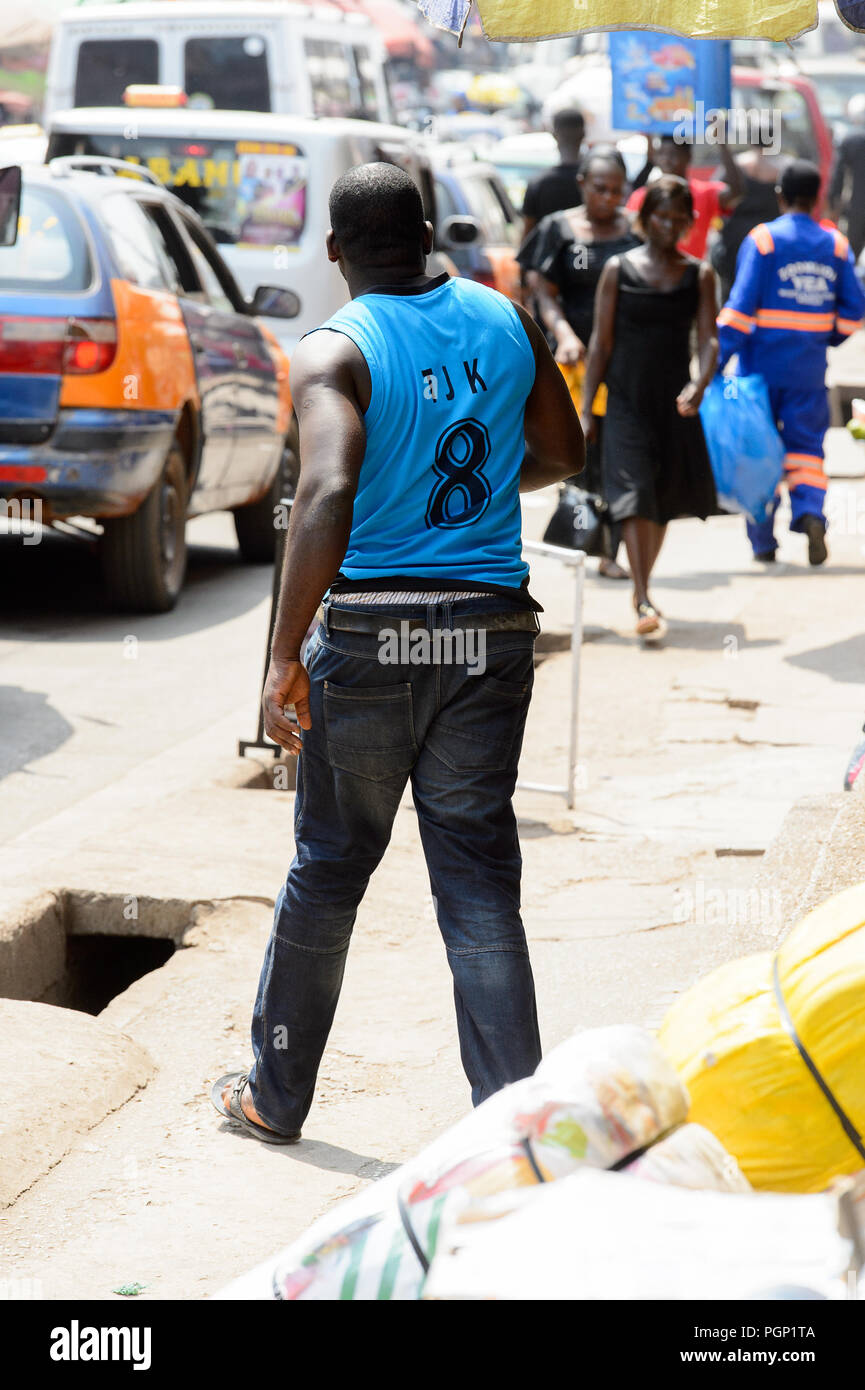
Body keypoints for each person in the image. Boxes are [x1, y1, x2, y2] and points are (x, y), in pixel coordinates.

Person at [211, 162, 584, 1143]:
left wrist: (281, 653)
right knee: (475, 875)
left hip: (375, 636)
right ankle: (514, 1133)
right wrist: (496, 471)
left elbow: (326, 490)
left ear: (335, 253)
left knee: (330, 866)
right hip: (489, 626)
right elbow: (565, 449)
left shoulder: (337, 347)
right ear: (428, 233)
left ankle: (272, 1095)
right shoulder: (503, 320)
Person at [580, 175, 720, 639]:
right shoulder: (619, 270)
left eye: (679, 219)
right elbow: (600, 343)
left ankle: (643, 585)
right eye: (662, 217)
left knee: (660, 500)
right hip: (624, 401)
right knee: (633, 493)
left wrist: (699, 384)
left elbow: (709, 339)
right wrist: (585, 409)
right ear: (644, 219)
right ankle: (641, 594)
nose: (670, 227)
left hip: (674, 404)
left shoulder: (699, 274)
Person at [717, 159, 865, 566]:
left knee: (758, 452)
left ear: (779, 195)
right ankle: (811, 513)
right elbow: (854, 313)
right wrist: (825, 338)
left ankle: (764, 543)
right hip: (807, 371)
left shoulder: (764, 241)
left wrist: (714, 362)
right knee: (806, 452)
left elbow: (739, 312)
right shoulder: (835, 244)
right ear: (818, 197)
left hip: (758, 373)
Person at [518, 147, 640, 579]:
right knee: (578, 448)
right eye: (601, 188)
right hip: (573, 361)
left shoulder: (635, 231)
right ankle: (580, 537)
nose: (609, 197)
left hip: (622, 359)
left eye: (617, 190)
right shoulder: (559, 229)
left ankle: (610, 552)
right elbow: (543, 292)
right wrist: (565, 334)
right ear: (583, 185)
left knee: (618, 452)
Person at [627, 134, 743, 261]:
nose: (666, 160)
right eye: (661, 154)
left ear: (688, 157)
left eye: (673, 154)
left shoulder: (705, 192)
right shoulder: (642, 196)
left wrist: (721, 143)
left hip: (690, 275)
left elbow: (735, 192)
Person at [709, 131, 783, 302]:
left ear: (749, 140)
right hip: (768, 243)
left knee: (731, 295)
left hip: (735, 243)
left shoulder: (735, 166)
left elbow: (718, 197)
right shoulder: (781, 168)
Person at [521, 108, 585, 240]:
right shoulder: (595, 183)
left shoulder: (538, 183)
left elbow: (527, 235)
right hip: (585, 258)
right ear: (583, 134)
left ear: (554, 135)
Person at [828, 94, 865, 260]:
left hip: (857, 206)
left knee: (851, 254)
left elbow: (838, 176)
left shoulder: (849, 140)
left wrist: (833, 202)